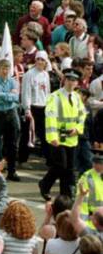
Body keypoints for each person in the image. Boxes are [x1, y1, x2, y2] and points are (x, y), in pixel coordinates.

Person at [40, 69, 86, 200]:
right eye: (69, 79)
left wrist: (78, 128)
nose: (71, 83)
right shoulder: (55, 97)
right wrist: (52, 137)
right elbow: (50, 118)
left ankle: (65, 194)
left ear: (77, 83)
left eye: (74, 80)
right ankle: (45, 185)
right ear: (64, 80)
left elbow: (82, 115)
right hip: (58, 137)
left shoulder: (76, 97)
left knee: (69, 168)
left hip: (72, 137)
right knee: (61, 165)